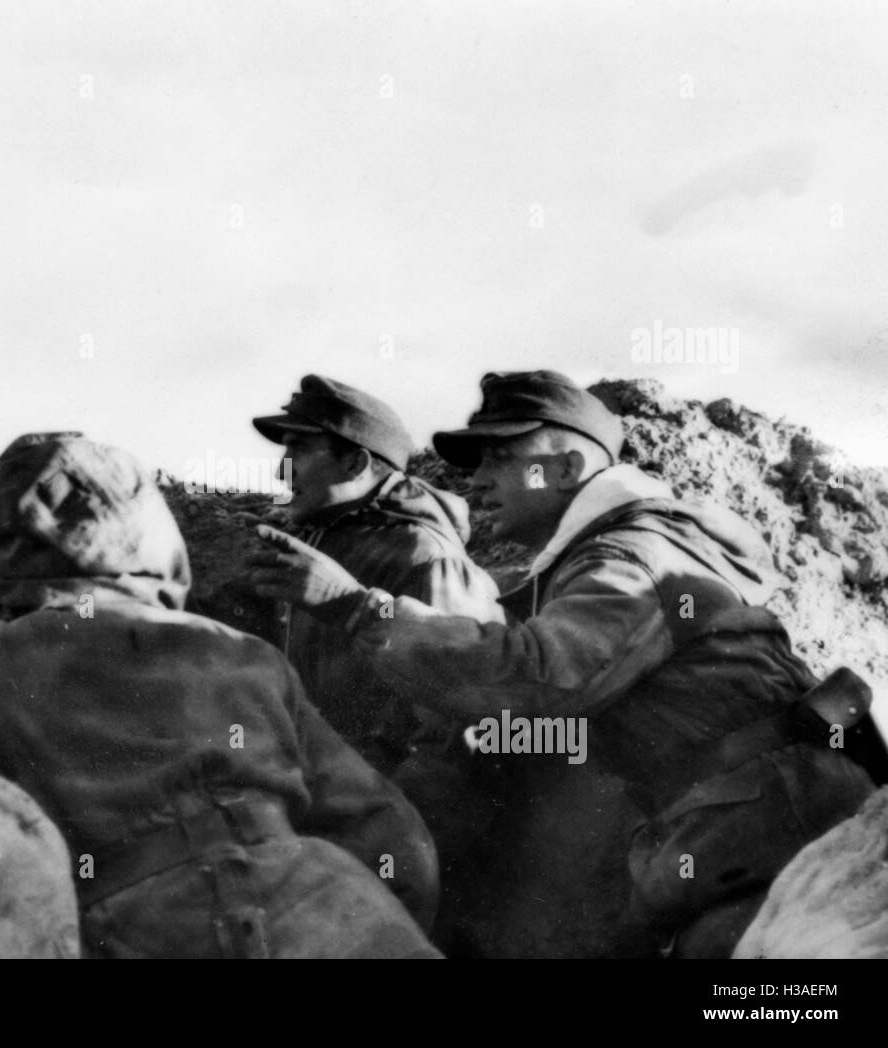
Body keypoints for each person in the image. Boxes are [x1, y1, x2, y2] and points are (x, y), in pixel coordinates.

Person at [250, 370, 877, 958]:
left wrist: (357, 609)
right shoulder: (602, 558)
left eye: (500, 457)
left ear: (570, 466)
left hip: (767, 817)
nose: (476, 481)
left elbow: (543, 678)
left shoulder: (629, 558)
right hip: (741, 816)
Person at [0, 432, 441, 959]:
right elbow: (397, 841)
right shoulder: (247, 655)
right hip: (336, 906)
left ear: (9, 546)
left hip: (135, 926)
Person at [252, 374, 502, 773]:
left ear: (355, 463)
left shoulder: (426, 557)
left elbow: (459, 717)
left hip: (382, 812)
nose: (282, 472)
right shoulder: (322, 540)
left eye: (298, 450)